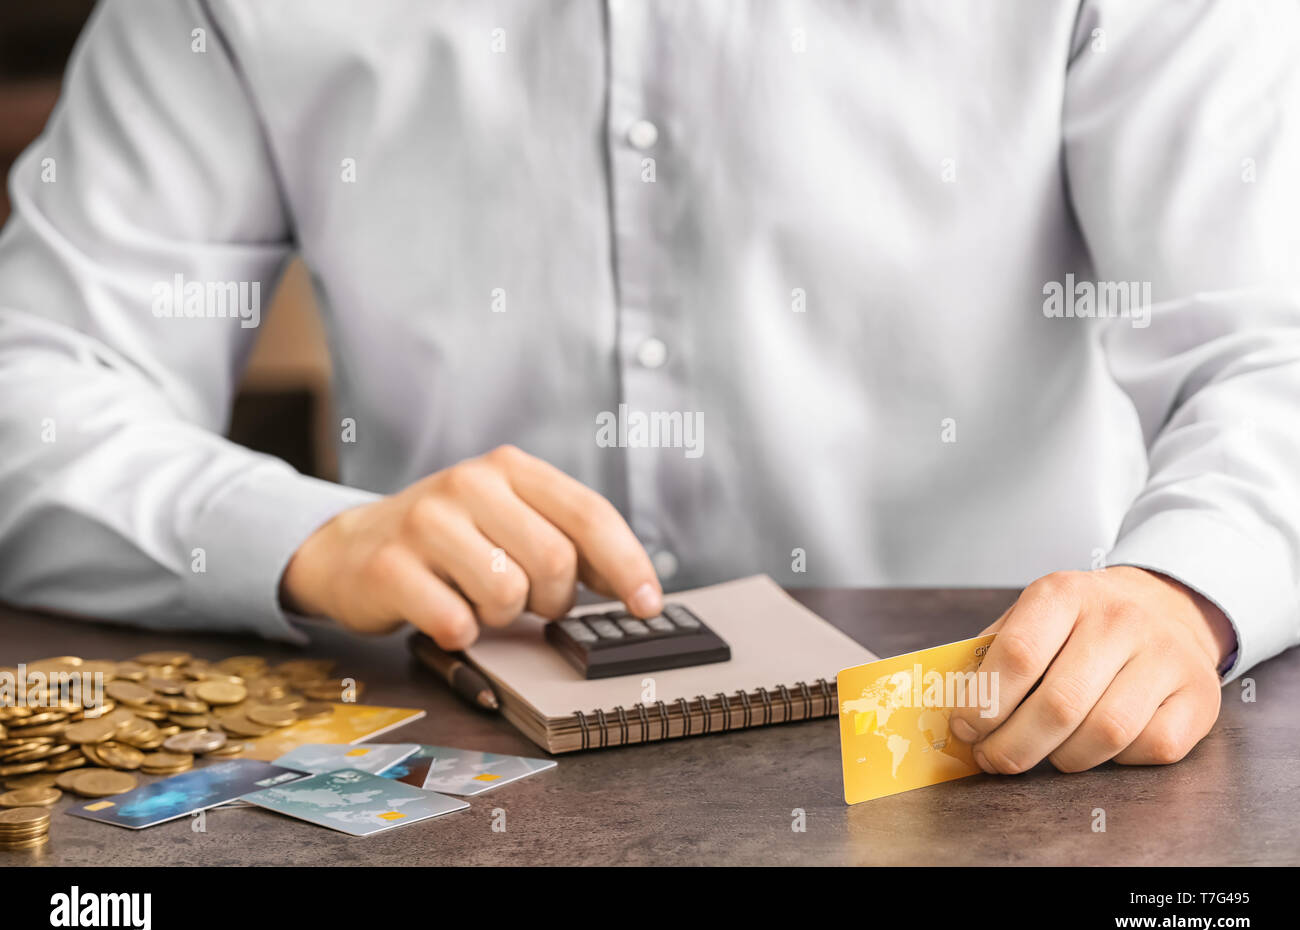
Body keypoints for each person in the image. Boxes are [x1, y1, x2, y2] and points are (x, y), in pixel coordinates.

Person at [0, 1, 1297, 778]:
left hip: (1004, 764)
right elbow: (32, 386)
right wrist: (307, 536)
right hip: (473, 766)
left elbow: (1274, 348)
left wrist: (1184, 594)